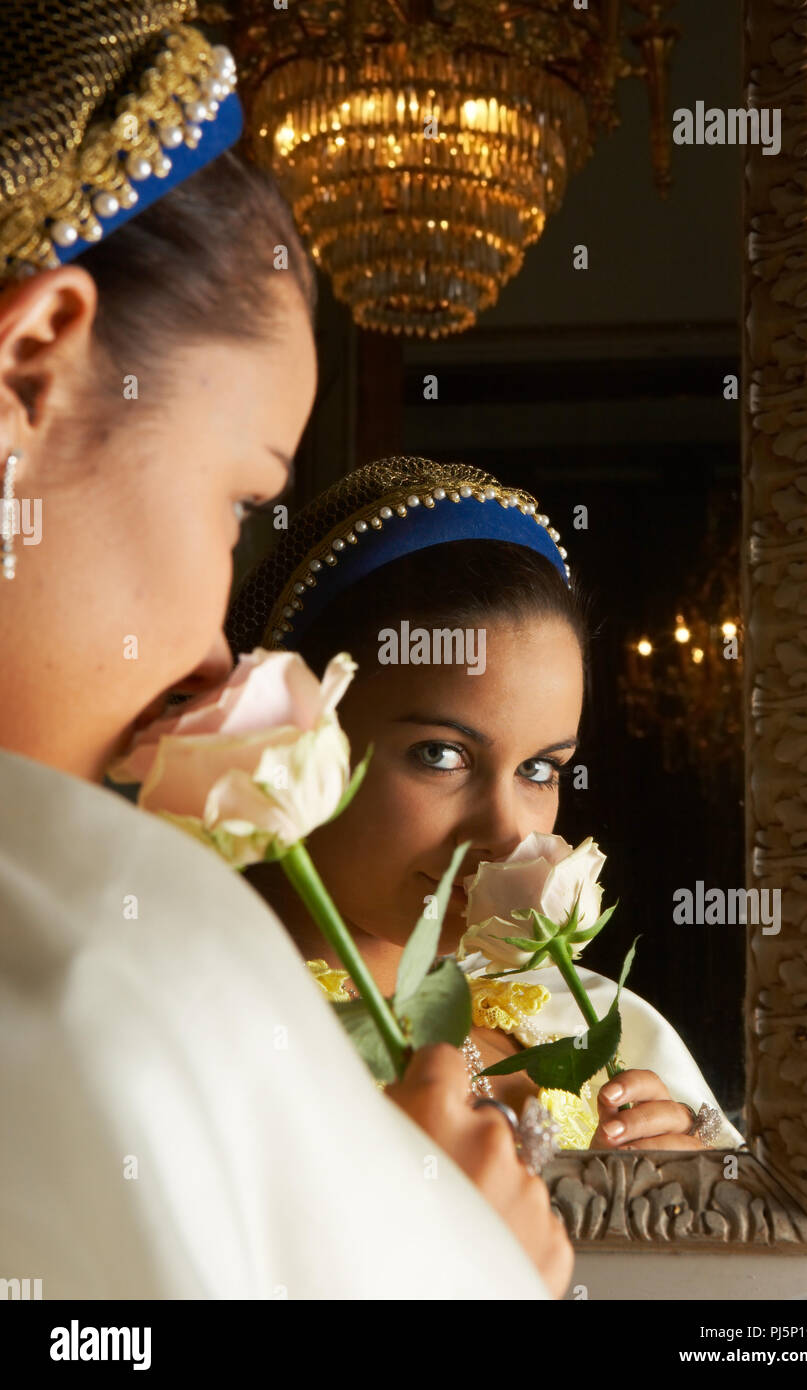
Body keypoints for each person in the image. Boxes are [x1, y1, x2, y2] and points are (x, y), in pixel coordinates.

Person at [0, 2, 571, 1299]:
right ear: (35, 361)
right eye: (239, 503)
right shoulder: (98, 969)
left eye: (549, 760)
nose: (215, 655)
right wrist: (427, 1248)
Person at [227, 456, 746, 1154]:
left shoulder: (582, 1018)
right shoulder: (217, 1037)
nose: (507, 833)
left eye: (540, 769)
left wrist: (690, 1180)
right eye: (441, 754)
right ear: (295, 734)